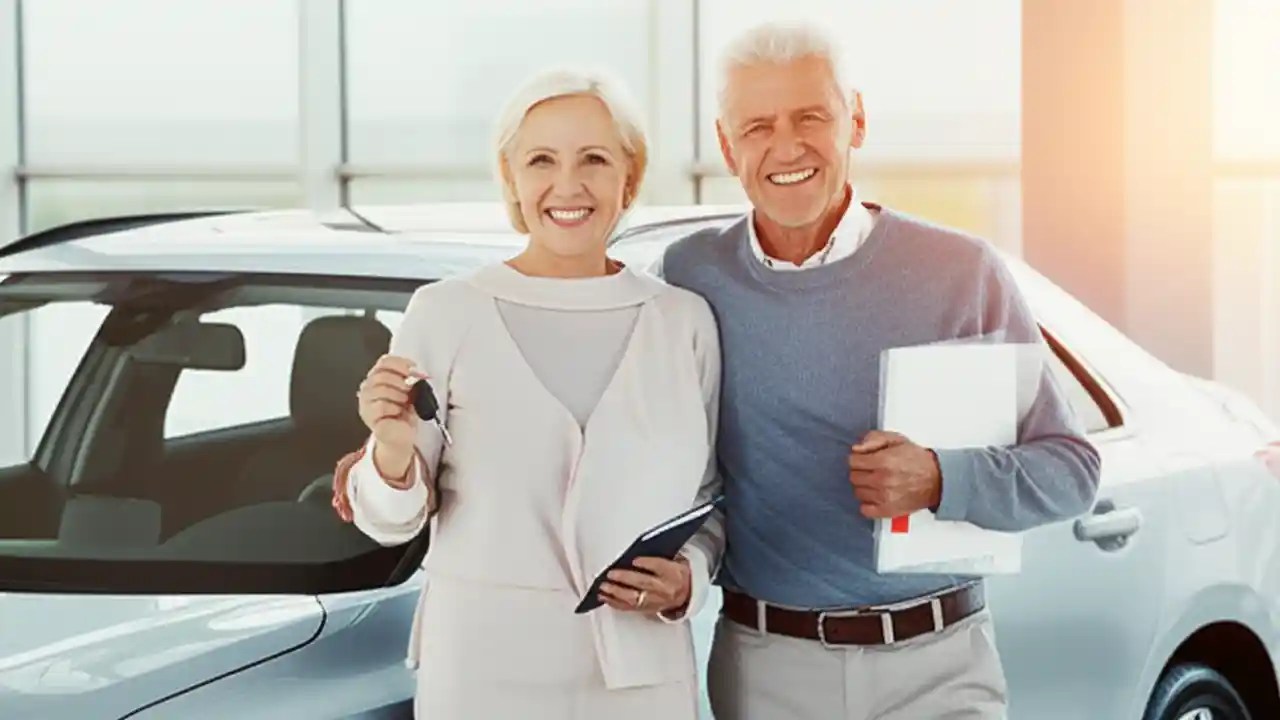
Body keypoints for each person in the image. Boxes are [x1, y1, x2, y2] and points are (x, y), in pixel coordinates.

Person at [656, 21, 1103, 720]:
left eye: (811, 117)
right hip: (768, 668)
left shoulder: (959, 272)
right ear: (725, 146)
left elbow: (1072, 471)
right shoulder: (690, 276)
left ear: (855, 120)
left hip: (940, 661)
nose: (786, 147)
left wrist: (939, 477)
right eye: (757, 127)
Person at [330, 68, 722, 719]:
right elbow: (390, 519)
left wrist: (689, 579)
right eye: (541, 159)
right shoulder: (445, 313)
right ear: (510, 178)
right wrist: (392, 452)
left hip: (640, 678)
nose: (567, 184)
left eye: (594, 158)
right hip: (484, 676)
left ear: (629, 176)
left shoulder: (683, 321)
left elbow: (710, 500)